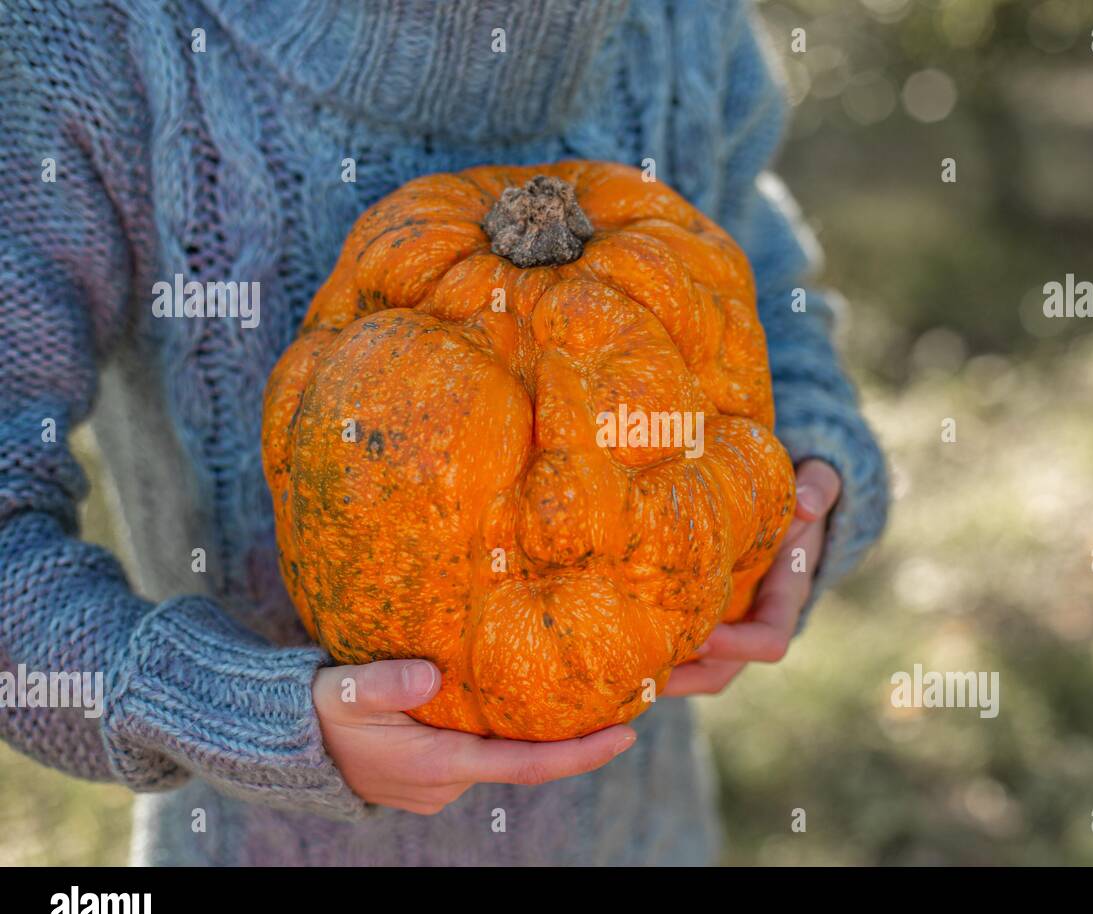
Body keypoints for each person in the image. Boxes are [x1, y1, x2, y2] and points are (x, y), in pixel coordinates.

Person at [0, 0, 888, 865]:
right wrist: (227, 713)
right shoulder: (92, 40)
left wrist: (806, 467)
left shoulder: (682, 20)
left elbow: (763, 283)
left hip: (642, 835)